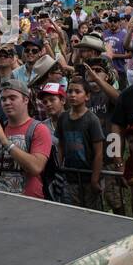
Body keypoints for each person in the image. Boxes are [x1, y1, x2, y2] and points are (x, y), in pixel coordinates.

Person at [0, 80, 52, 197]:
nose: (7, 102)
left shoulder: (39, 129)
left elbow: (36, 167)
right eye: (3, 99)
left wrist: (5, 141)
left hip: (29, 201)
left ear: (26, 99)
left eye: (12, 98)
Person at [58, 78, 105, 209]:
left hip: (89, 177)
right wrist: (59, 167)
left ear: (87, 96)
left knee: (91, 212)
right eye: (70, 91)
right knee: (74, 211)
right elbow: (61, 144)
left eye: (78, 92)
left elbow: (99, 153)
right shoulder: (63, 118)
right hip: (70, 176)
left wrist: (95, 179)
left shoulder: (92, 120)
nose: (73, 95)